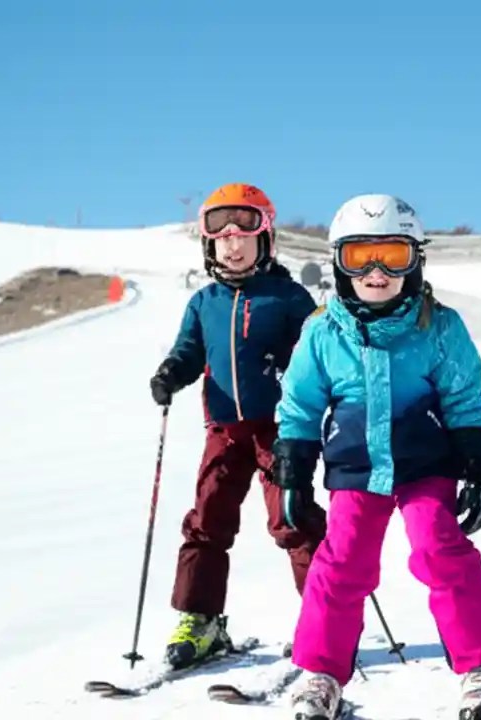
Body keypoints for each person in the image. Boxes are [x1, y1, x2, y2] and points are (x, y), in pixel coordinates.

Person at [272, 194, 481, 719]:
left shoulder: (439, 325)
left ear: (416, 260)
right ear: (340, 263)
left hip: (425, 465)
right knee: (341, 562)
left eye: (392, 255)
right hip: (356, 468)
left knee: (438, 548)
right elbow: (300, 405)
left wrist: (474, 454)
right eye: (361, 258)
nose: (378, 271)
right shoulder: (322, 331)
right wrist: (293, 466)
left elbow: (464, 395)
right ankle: (320, 673)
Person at [148, 182, 325, 670]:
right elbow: (188, 353)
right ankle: (200, 619)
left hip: (278, 431)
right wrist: (170, 374)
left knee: (292, 518)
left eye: (244, 232)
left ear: (264, 239)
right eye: (221, 237)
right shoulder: (204, 303)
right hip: (224, 431)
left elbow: (317, 354)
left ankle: (324, 617)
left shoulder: (287, 297)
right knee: (207, 520)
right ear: (209, 245)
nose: (232, 242)